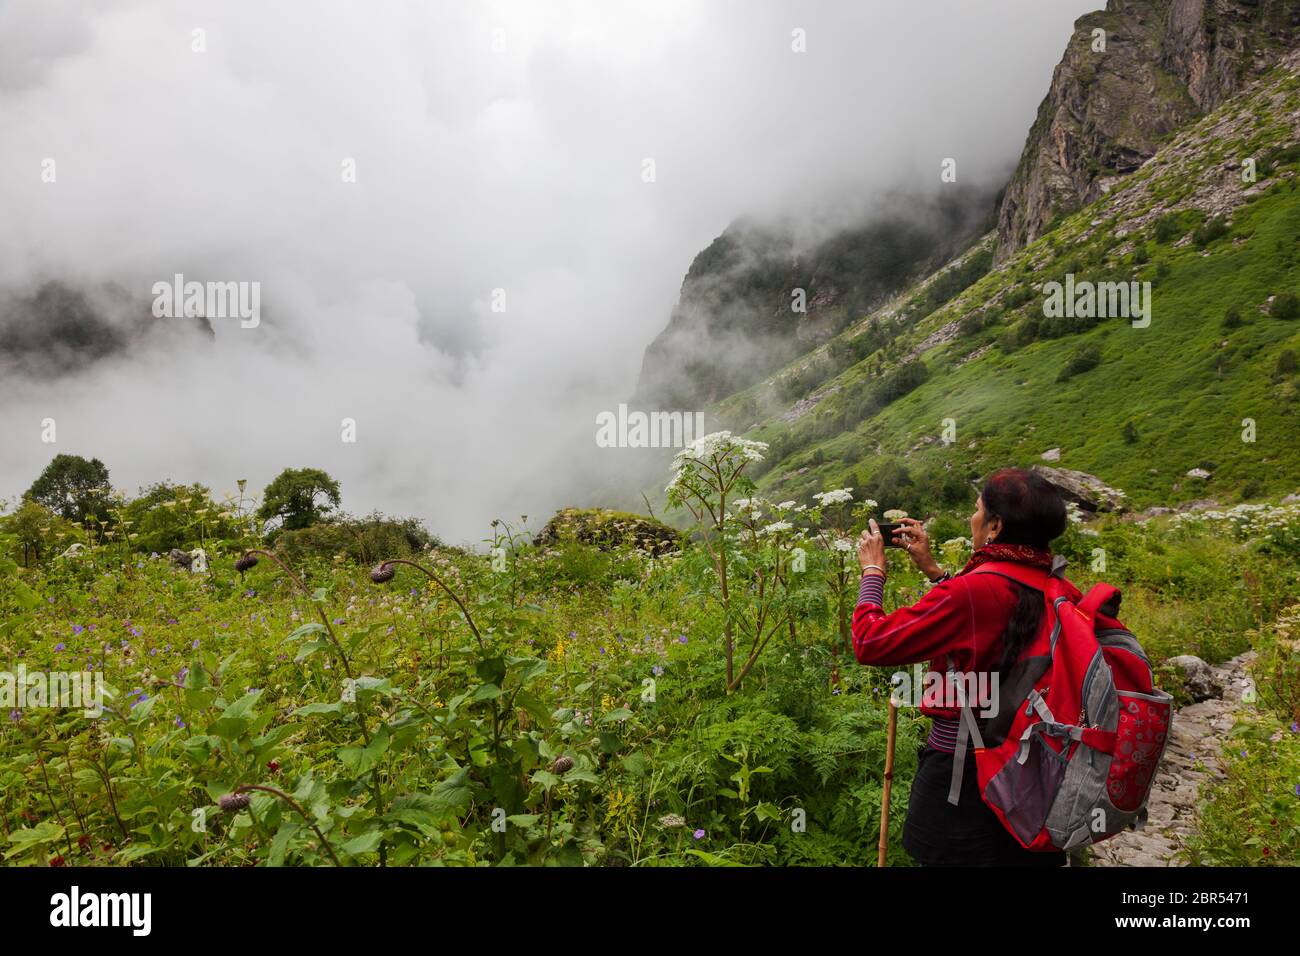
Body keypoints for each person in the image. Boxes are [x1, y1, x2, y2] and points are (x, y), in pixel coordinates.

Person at [852, 467, 1082, 867]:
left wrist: (872, 573)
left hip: (965, 779)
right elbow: (989, 622)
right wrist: (934, 571)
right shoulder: (1056, 585)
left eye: (977, 511)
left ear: (995, 525)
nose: (972, 519)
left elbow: (871, 641)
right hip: (1037, 776)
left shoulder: (971, 593)